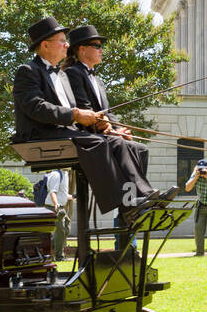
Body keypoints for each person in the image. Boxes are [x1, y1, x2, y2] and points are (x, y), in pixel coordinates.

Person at [12, 17, 176, 224]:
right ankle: (125, 205)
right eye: (62, 40)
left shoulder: (61, 76)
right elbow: (35, 107)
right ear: (45, 45)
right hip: (40, 135)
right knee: (97, 142)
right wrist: (76, 115)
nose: (67, 45)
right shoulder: (27, 71)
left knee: (125, 145)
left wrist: (101, 124)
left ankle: (142, 196)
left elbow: (78, 114)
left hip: (65, 132)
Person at [44, 167, 73, 260]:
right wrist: (56, 204)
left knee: (66, 229)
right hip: (53, 207)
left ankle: (49, 249)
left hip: (60, 207)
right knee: (60, 231)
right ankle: (59, 256)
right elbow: (53, 192)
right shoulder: (56, 174)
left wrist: (73, 197)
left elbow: (63, 194)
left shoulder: (65, 173)